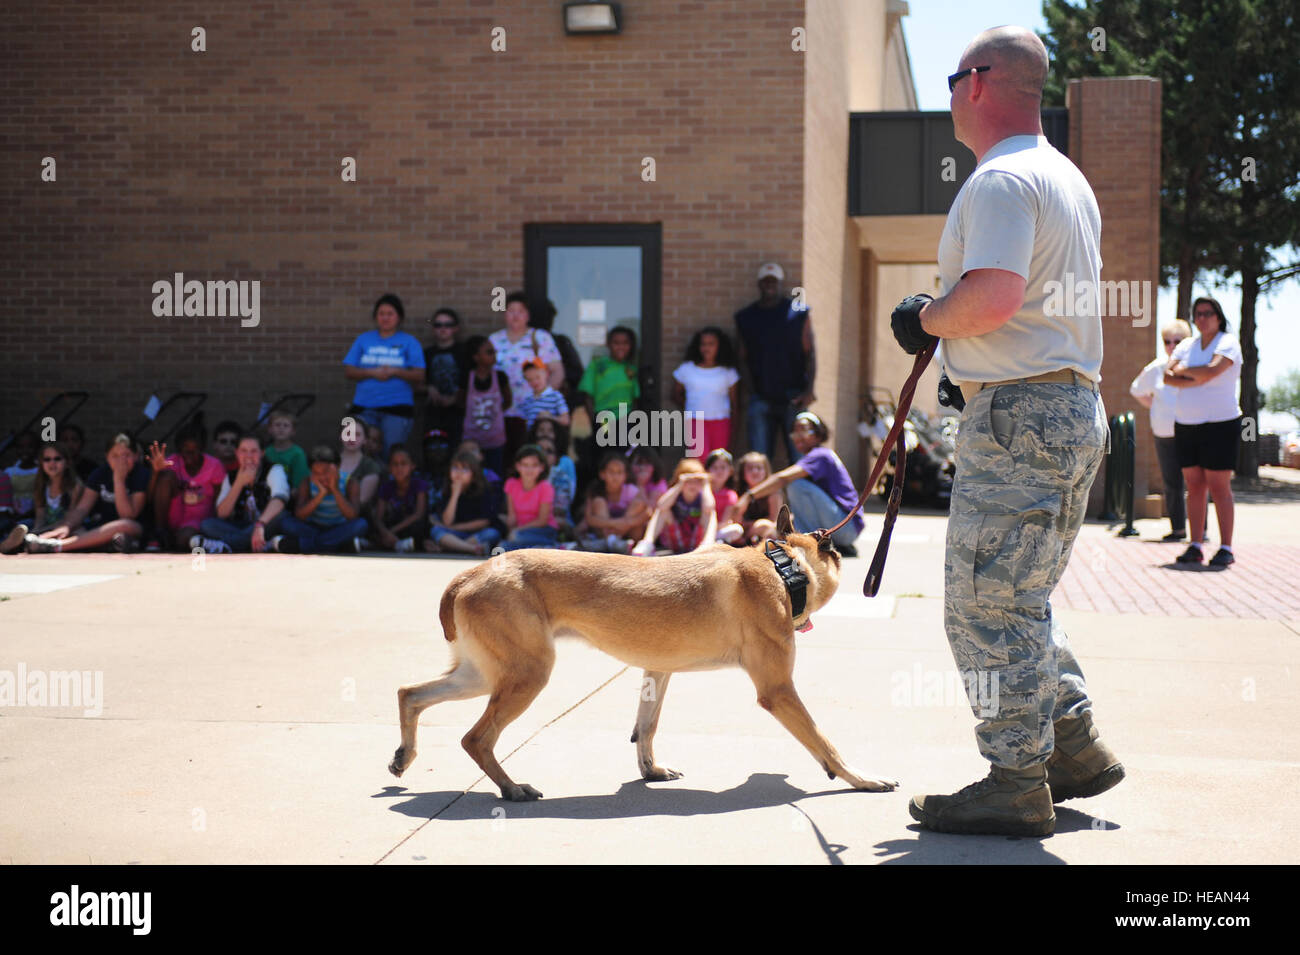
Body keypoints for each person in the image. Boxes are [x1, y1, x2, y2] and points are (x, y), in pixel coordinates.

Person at [889, 26, 1121, 836]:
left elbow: (991, 297)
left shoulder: (999, 181)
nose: (948, 93)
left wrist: (925, 319)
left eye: (953, 78)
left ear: (980, 82)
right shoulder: (1064, 178)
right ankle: (1072, 743)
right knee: (1019, 595)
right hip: (1066, 406)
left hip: (1020, 413)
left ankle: (1016, 779)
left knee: (982, 602)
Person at [1164, 296, 1243, 567]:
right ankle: (1195, 545)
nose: (1202, 318)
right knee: (1194, 486)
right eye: (1197, 313)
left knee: (1219, 487)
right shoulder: (1186, 345)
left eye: (1208, 313)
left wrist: (1186, 373)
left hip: (1220, 424)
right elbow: (1167, 376)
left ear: (1218, 316)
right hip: (1187, 424)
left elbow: (1213, 371)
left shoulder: (1227, 342)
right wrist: (1194, 376)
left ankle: (1226, 548)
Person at [733, 412, 862, 554]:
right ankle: (813, 541)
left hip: (847, 526)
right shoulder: (814, 456)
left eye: (804, 429)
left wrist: (749, 495)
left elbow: (783, 478)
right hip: (844, 526)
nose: (798, 435)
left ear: (818, 435)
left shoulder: (820, 455)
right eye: (795, 431)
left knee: (796, 485)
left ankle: (807, 544)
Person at [8, 433, 150, 554]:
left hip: (134, 528)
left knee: (124, 527)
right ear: (107, 457)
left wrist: (119, 480)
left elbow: (127, 514)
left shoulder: (140, 474)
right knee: (76, 530)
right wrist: (67, 526)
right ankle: (34, 542)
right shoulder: (100, 473)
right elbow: (82, 509)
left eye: (127, 455)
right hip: (99, 528)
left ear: (136, 456)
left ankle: (56, 546)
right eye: (115, 456)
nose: (121, 461)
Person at [734, 263, 815, 465]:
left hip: (793, 397)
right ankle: (761, 497)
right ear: (759, 284)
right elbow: (741, 358)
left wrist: (809, 390)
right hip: (761, 397)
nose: (769, 285)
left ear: (779, 284)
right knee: (759, 460)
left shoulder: (797, 313)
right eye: (766, 281)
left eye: (773, 281)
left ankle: (799, 497)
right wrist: (752, 390)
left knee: (800, 459)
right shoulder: (746, 317)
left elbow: (810, 353)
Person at [1130, 320, 1192, 541]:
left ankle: (1199, 531)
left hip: (1192, 431)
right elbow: (1136, 390)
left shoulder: (1195, 366)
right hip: (1164, 432)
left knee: (1197, 482)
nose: (1172, 345)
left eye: (1178, 341)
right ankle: (1178, 529)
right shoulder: (1156, 368)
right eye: (1167, 341)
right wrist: (1155, 405)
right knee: (1172, 482)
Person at [343, 293, 427, 457]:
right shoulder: (364, 340)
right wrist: (372, 372)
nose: (385, 318)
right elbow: (349, 371)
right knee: (360, 452)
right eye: (381, 314)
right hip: (364, 407)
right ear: (375, 316)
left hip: (397, 408)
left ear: (399, 317)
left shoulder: (409, 342)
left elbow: (419, 375)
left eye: (390, 314)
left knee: (391, 453)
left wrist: (395, 371)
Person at [490, 292, 564, 461]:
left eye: (520, 311)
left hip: (532, 414)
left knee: (532, 458)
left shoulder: (540, 338)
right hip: (502, 415)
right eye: (510, 311)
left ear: (528, 315)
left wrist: (543, 399)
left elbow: (558, 372)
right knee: (505, 459)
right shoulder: (494, 340)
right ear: (504, 314)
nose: (515, 316)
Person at [197, 432, 291, 553]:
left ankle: (226, 545)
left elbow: (279, 500)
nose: (249, 456)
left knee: (280, 517)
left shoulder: (274, 470)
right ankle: (261, 544)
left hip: (266, 524)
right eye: (244, 451)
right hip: (244, 526)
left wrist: (260, 525)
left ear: (262, 453)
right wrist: (239, 483)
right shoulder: (231, 477)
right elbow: (222, 513)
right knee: (207, 524)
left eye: (254, 451)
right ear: (237, 453)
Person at [147, 419, 227, 552]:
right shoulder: (172, 462)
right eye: (186, 451)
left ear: (201, 448)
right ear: (179, 450)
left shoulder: (214, 466)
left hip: (198, 521)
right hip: (174, 517)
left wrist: (214, 526)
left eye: (194, 451)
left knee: (183, 540)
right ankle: (160, 532)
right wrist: (155, 473)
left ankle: (196, 541)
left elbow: (221, 502)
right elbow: (149, 498)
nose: (190, 456)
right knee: (166, 476)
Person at [279, 445, 369, 554]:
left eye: (326, 471)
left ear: (338, 467)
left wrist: (335, 490)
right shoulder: (307, 482)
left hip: (339, 527)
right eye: (316, 473)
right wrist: (321, 494)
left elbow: (352, 515)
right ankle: (338, 546)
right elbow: (300, 515)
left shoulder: (350, 482)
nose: (322, 477)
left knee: (361, 524)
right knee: (287, 523)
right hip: (312, 528)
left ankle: (302, 545)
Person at [673, 328, 741, 457]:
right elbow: (675, 394)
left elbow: (735, 405)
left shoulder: (728, 372)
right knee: (699, 460)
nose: (706, 348)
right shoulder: (687, 368)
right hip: (695, 422)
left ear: (719, 346)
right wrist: (690, 408)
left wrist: (734, 430)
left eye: (711, 344)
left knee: (719, 461)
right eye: (703, 344)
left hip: (721, 422)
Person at [631, 458, 716, 556]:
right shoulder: (675, 495)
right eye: (689, 481)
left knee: (711, 513)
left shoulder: (704, 496)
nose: (693, 485)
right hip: (676, 539)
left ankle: (708, 545)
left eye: (697, 481)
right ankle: (647, 543)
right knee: (662, 511)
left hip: (697, 541)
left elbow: (709, 507)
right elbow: (661, 505)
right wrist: (679, 484)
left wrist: (706, 484)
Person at [427, 449, 501, 555]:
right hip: (454, 534)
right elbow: (447, 521)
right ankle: (471, 549)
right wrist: (455, 495)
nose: (459, 473)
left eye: (465, 469)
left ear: (473, 473)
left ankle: (450, 547)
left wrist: (452, 528)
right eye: (455, 468)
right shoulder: (447, 489)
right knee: (436, 531)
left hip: (475, 534)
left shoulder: (484, 490)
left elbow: (484, 522)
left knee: (492, 533)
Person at [460, 335, 512, 477]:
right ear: (476, 357)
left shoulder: (500, 377)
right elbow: (461, 401)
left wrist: (494, 414)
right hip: (471, 439)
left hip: (495, 440)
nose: (494, 355)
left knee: (494, 475)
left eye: (494, 352)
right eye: (489, 352)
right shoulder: (466, 377)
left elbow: (507, 401)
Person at [494, 444, 558, 552]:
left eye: (534, 465)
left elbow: (543, 520)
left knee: (517, 537)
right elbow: (512, 517)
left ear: (542, 467)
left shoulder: (546, 487)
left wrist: (518, 530)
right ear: (518, 466)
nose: (529, 469)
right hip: (519, 531)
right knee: (502, 545)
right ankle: (538, 550)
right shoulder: (511, 484)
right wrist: (511, 529)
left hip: (544, 531)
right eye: (525, 465)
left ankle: (546, 546)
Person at [579, 452, 648, 553]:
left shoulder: (631, 490)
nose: (615, 476)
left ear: (625, 475)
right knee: (599, 502)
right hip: (605, 531)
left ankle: (616, 541)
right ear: (602, 474)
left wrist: (627, 522)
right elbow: (589, 518)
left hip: (627, 533)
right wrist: (615, 523)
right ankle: (612, 541)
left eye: (619, 472)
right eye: (611, 472)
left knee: (638, 504)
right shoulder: (595, 490)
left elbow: (647, 513)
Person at [423, 307, 469, 451]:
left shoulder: (465, 352)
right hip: (433, 413)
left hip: (460, 413)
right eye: (438, 325)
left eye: (448, 325)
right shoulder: (426, 353)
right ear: (433, 329)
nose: (443, 329)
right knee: (432, 451)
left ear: (456, 328)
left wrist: (456, 398)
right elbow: (414, 383)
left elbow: (472, 381)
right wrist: (428, 388)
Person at [372, 444, 430, 553]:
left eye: (403, 464)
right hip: (392, 525)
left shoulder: (420, 484)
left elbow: (419, 514)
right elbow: (378, 518)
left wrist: (393, 531)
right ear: (389, 467)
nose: (399, 468)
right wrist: (385, 532)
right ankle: (395, 544)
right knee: (371, 526)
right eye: (395, 464)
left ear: (412, 466)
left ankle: (395, 544)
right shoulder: (386, 487)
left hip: (407, 526)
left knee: (420, 527)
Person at [720, 451, 781, 546]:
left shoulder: (773, 493)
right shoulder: (737, 492)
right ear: (742, 473)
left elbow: (774, 520)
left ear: (766, 472)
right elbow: (735, 518)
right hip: (740, 532)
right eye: (750, 468)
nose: (755, 472)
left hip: (764, 533)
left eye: (759, 468)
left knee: (764, 525)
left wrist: (753, 526)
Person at [516, 357, 570, 431]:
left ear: (546, 374)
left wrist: (549, 417)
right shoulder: (528, 400)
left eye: (537, 377)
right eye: (530, 380)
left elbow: (566, 420)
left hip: (550, 439)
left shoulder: (556, 396)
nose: (534, 382)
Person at [263, 411, 310, 492]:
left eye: (286, 425)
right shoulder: (265, 452)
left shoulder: (297, 454)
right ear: (270, 429)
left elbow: (300, 484)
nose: (281, 428)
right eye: (277, 425)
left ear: (293, 431)